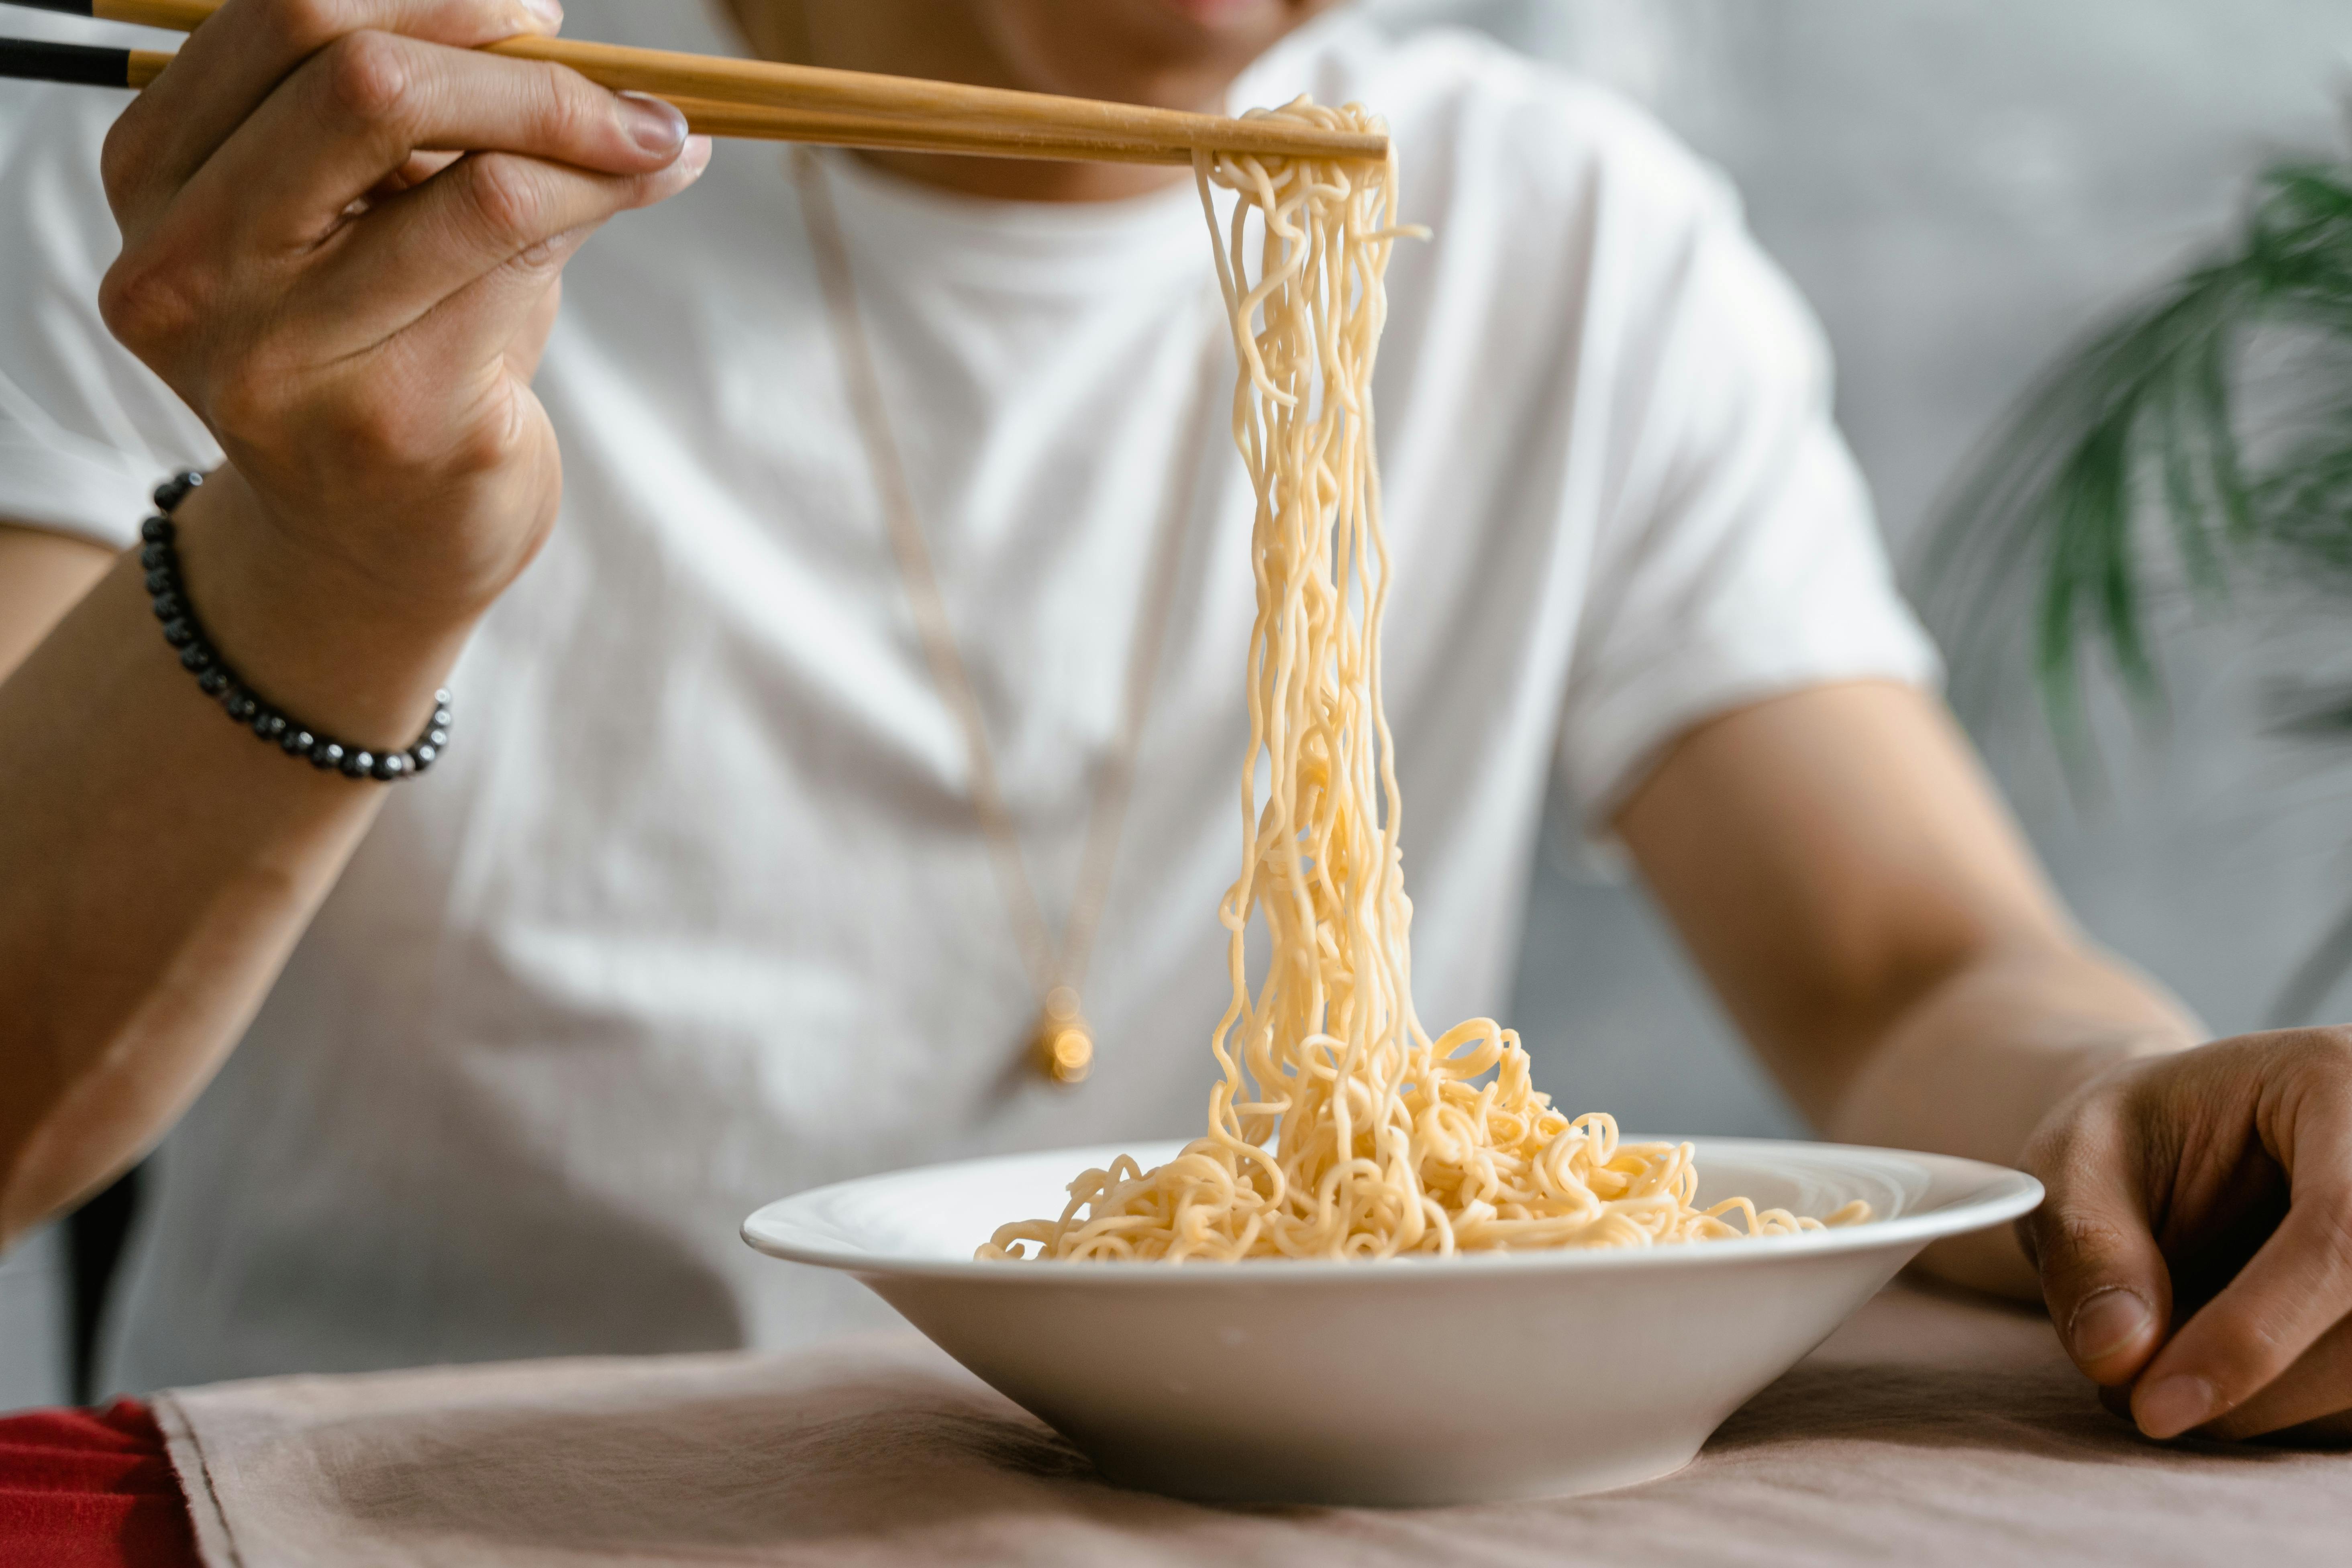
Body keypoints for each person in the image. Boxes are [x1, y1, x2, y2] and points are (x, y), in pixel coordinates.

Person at [0, 0, 2343, 1445]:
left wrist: (2123, 1109)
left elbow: (1910, 973)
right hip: (419, 1496)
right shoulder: (328, 157)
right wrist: (338, 563)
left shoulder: (1561, 235)